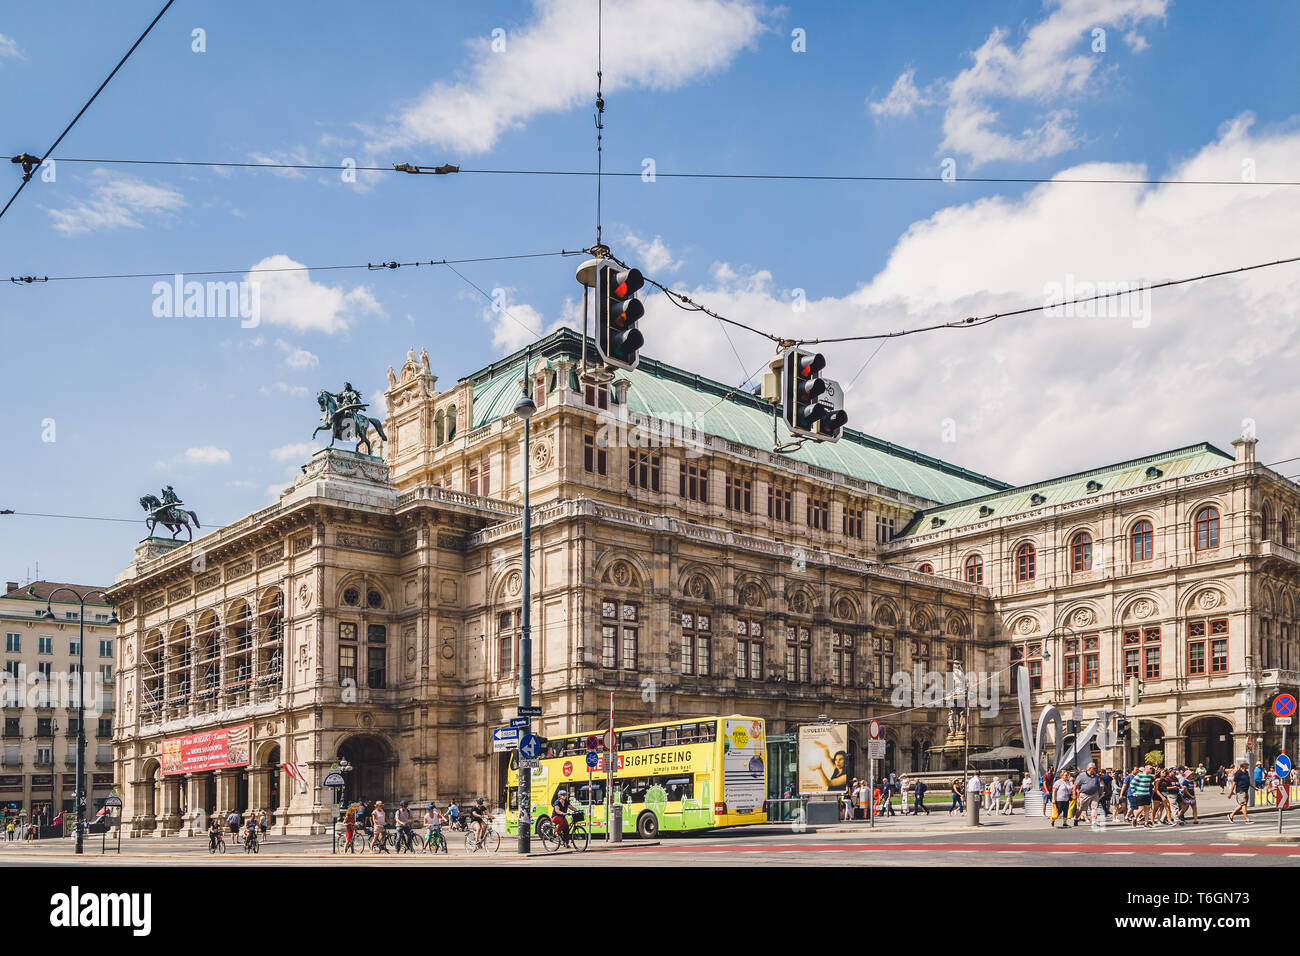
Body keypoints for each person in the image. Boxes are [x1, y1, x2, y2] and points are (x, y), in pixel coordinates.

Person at [1075, 763, 1102, 830]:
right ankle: (1076, 818)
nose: (1095, 770)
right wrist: (1074, 794)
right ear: (1090, 769)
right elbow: (1075, 785)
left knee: (1094, 808)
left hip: (1094, 794)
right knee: (1081, 808)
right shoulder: (1082, 776)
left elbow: (1098, 785)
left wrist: (1099, 793)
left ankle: (1093, 822)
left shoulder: (1096, 776)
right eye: (1094, 768)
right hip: (1084, 794)